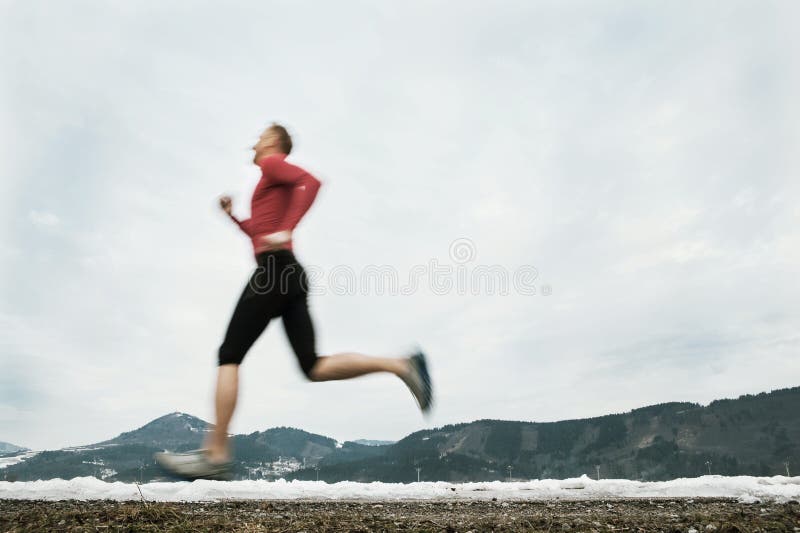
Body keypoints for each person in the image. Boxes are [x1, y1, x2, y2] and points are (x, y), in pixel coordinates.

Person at [155, 123, 433, 480]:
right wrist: (233, 217)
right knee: (312, 366)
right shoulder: (267, 181)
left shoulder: (272, 163)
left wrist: (289, 226)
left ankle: (216, 454)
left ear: (272, 141)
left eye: (260, 136)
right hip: (288, 274)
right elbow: (259, 233)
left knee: (229, 354)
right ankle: (401, 365)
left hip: (275, 271)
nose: (253, 142)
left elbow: (311, 183)